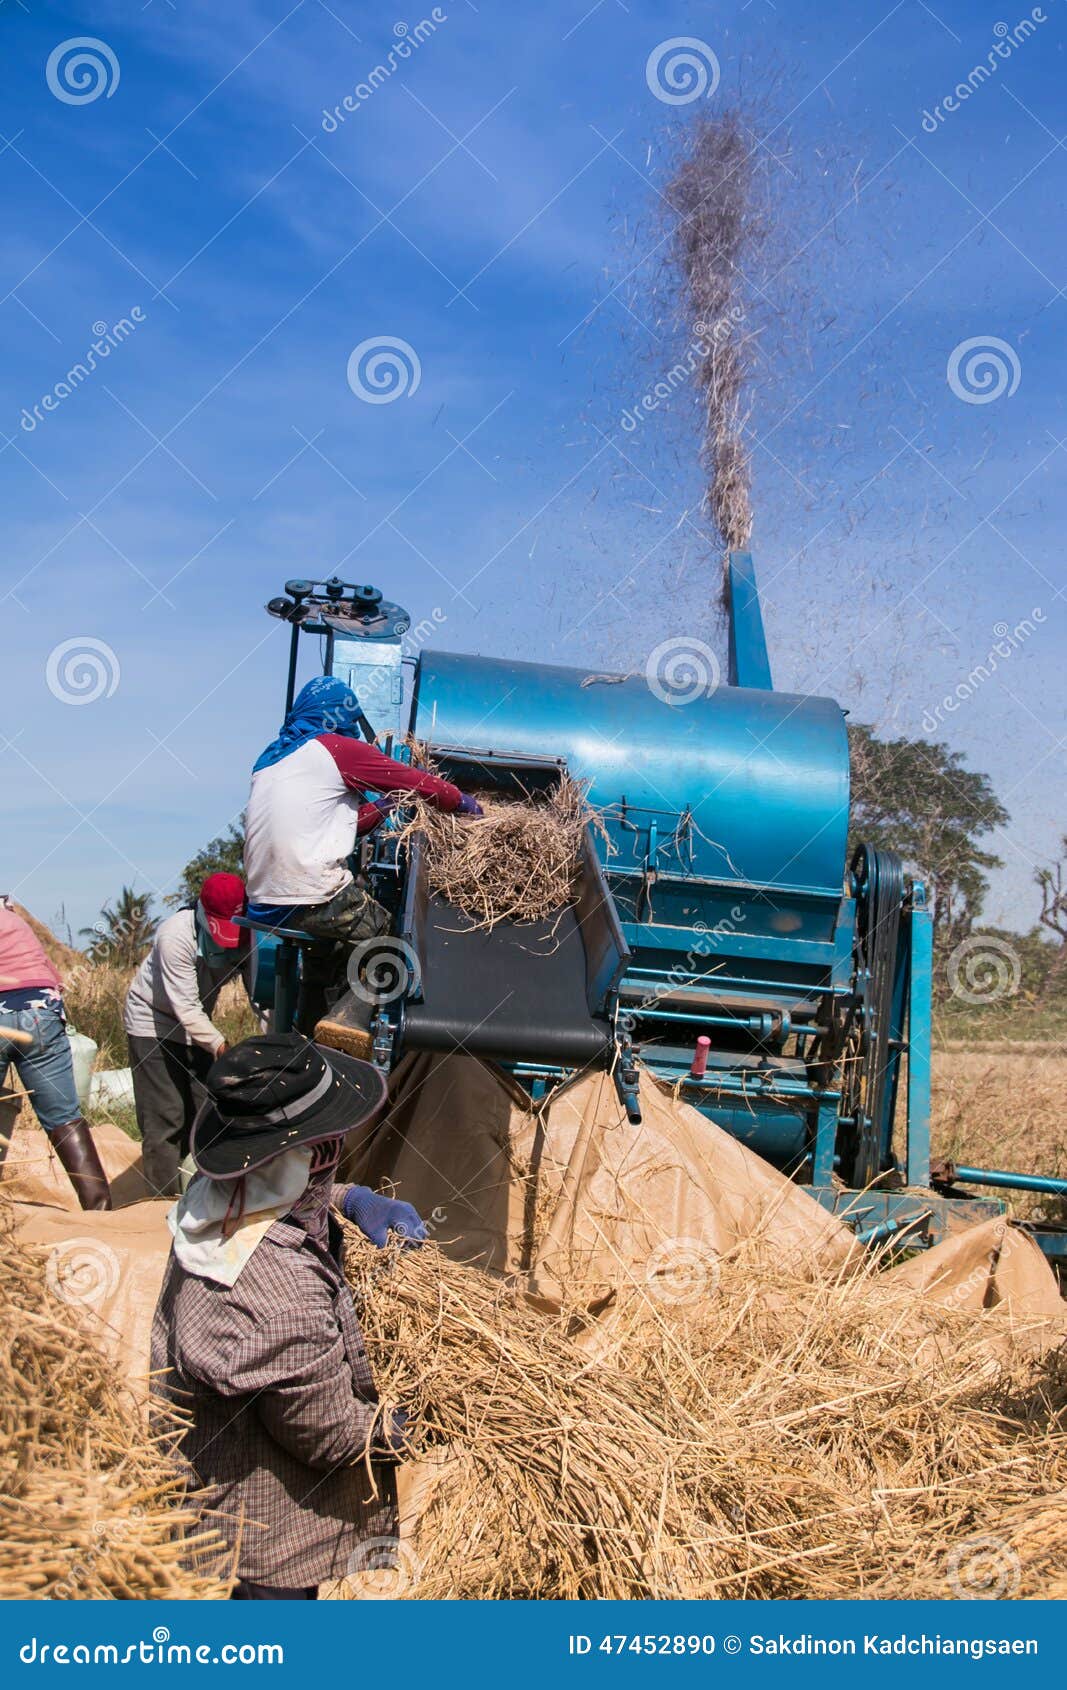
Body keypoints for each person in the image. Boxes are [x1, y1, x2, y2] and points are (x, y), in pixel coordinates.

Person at [150, 1032, 426, 1599]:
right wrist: (415, 1425)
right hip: (256, 1539)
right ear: (317, 1152)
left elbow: (284, 1188)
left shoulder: (222, 1193)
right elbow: (328, 1435)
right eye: (331, 1140)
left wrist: (353, 1201)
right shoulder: (281, 1297)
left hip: (212, 1489)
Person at [243, 674, 481, 1027]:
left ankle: (308, 1034)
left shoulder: (273, 759)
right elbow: (417, 782)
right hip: (313, 896)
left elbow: (331, 828)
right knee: (392, 934)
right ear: (339, 714)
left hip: (266, 902)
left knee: (324, 954)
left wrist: (384, 806)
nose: (352, 728)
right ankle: (347, 1022)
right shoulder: (336, 749)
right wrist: (462, 803)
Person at [124, 872, 250, 1198]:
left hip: (198, 1027)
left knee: (208, 1111)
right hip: (155, 1023)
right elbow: (186, 1008)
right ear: (203, 916)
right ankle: (159, 1205)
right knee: (166, 1118)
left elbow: (260, 993)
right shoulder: (175, 936)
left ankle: (203, 1199)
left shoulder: (249, 932)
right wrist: (223, 1048)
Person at [0, 896, 112, 1210]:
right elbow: (50, 975)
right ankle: (100, 1209)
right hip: (43, 1012)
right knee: (64, 1117)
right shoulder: (15, 921)